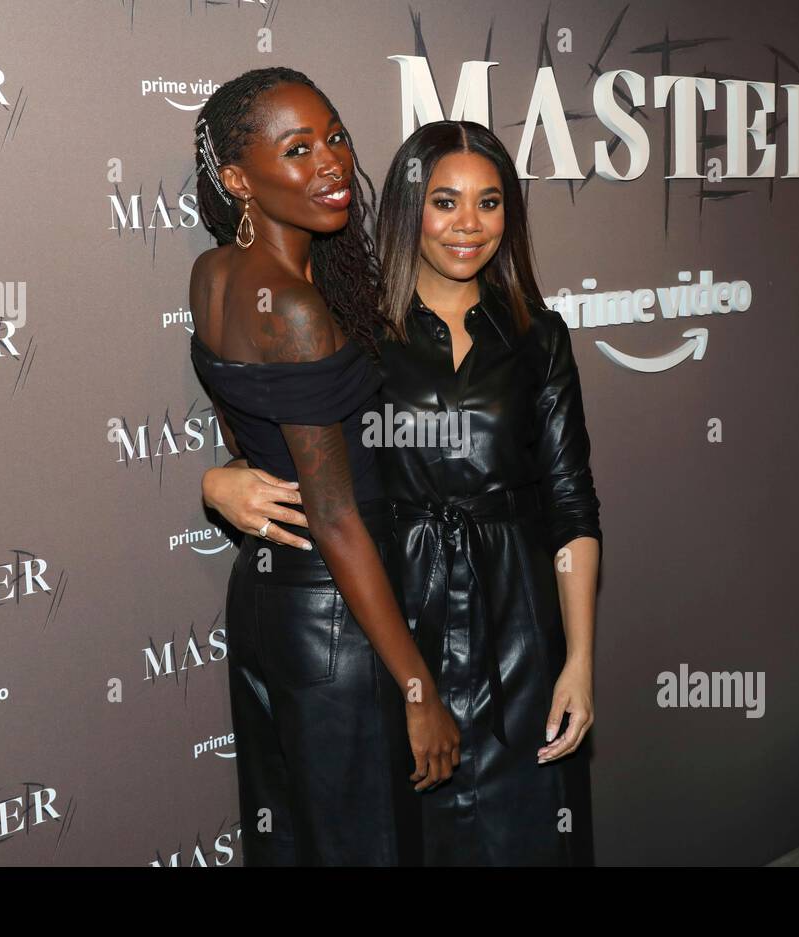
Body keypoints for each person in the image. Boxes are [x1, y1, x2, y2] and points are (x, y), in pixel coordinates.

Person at [204, 119, 602, 865]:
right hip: (391, 620)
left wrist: (578, 660)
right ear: (405, 209)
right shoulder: (357, 332)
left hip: (519, 626)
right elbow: (297, 449)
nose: (468, 225)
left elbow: (572, 501)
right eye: (445, 201)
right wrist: (219, 477)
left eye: (490, 203)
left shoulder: (538, 335)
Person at [187, 68, 458, 866]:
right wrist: (418, 687)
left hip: (274, 600)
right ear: (238, 178)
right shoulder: (295, 308)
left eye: (335, 136)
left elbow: (251, 432)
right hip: (338, 612)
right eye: (298, 149)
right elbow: (336, 517)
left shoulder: (214, 275)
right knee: (364, 843)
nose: (332, 163)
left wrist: (222, 476)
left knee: (300, 839)